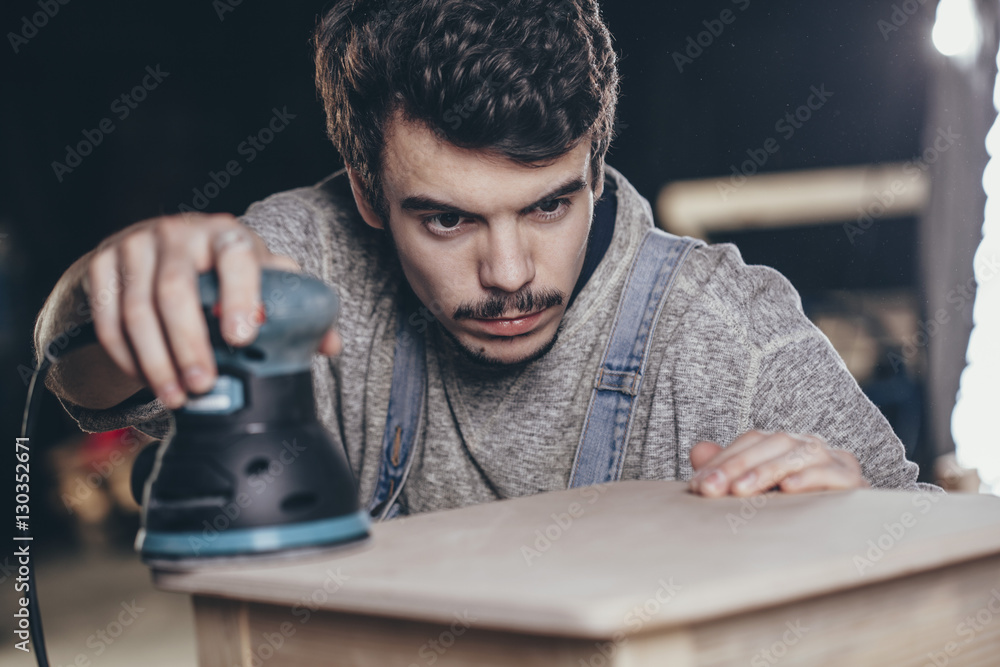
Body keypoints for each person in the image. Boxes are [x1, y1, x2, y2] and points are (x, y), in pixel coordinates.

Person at [33, 0, 941, 520]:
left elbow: (940, 582)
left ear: (594, 157)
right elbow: (80, 378)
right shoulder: (303, 268)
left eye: (548, 204)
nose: (509, 272)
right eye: (447, 221)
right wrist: (110, 288)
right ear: (365, 193)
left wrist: (862, 528)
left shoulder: (736, 339)